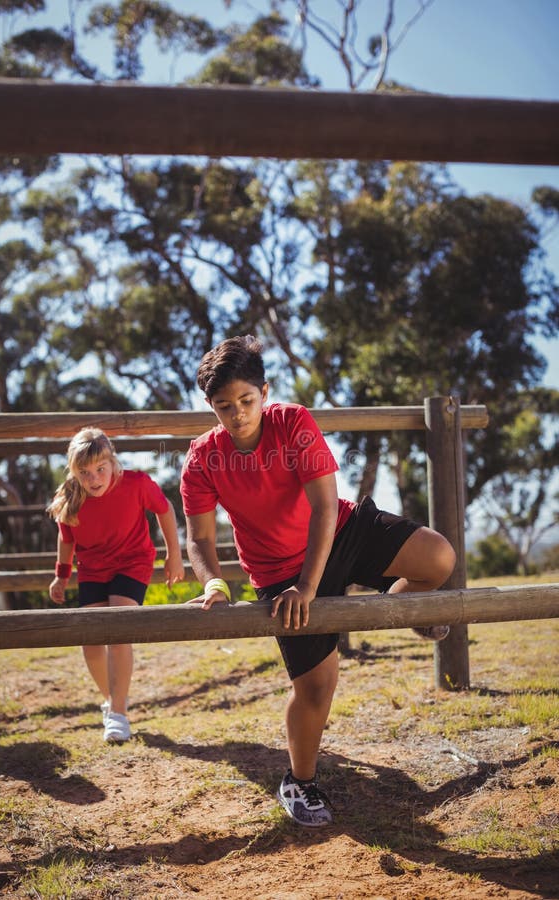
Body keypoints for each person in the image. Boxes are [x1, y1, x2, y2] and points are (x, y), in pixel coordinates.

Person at [180, 335, 456, 827]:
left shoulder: (293, 422)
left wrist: (310, 586)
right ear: (210, 407)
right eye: (225, 407)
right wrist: (214, 584)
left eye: (247, 400)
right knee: (316, 688)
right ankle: (299, 782)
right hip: (275, 571)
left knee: (438, 558)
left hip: (339, 532)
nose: (239, 413)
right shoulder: (203, 458)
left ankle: (404, 608)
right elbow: (199, 539)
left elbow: (326, 506)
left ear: (265, 392)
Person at [47, 427, 185, 743]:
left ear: (112, 462)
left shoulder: (137, 484)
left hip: (132, 562)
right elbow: (65, 536)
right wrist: (61, 574)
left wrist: (173, 556)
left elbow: (165, 510)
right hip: (93, 568)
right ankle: (112, 700)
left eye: (100, 469)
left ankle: (119, 714)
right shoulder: (71, 495)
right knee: (92, 642)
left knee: (119, 625)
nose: (94, 478)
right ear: (74, 471)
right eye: (84, 472)